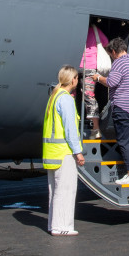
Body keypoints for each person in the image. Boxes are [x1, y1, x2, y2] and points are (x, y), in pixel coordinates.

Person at [92, 37, 129, 186]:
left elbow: (111, 82)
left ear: (113, 51)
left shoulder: (119, 63)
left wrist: (98, 77)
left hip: (126, 107)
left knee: (126, 140)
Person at [43, 65, 85, 236]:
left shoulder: (54, 96)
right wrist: (78, 152)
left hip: (52, 152)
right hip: (64, 153)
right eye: (77, 78)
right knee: (66, 191)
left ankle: (53, 224)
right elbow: (70, 129)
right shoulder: (66, 99)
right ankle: (62, 227)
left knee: (55, 191)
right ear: (73, 79)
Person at [79, 24, 109, 139]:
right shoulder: (96, 30)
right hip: (91, 66)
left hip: (79, 64)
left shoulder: (81, 29)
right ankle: (95, 128)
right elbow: (105, 42)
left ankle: (95, 129)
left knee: (76, 94)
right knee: (89, 95)